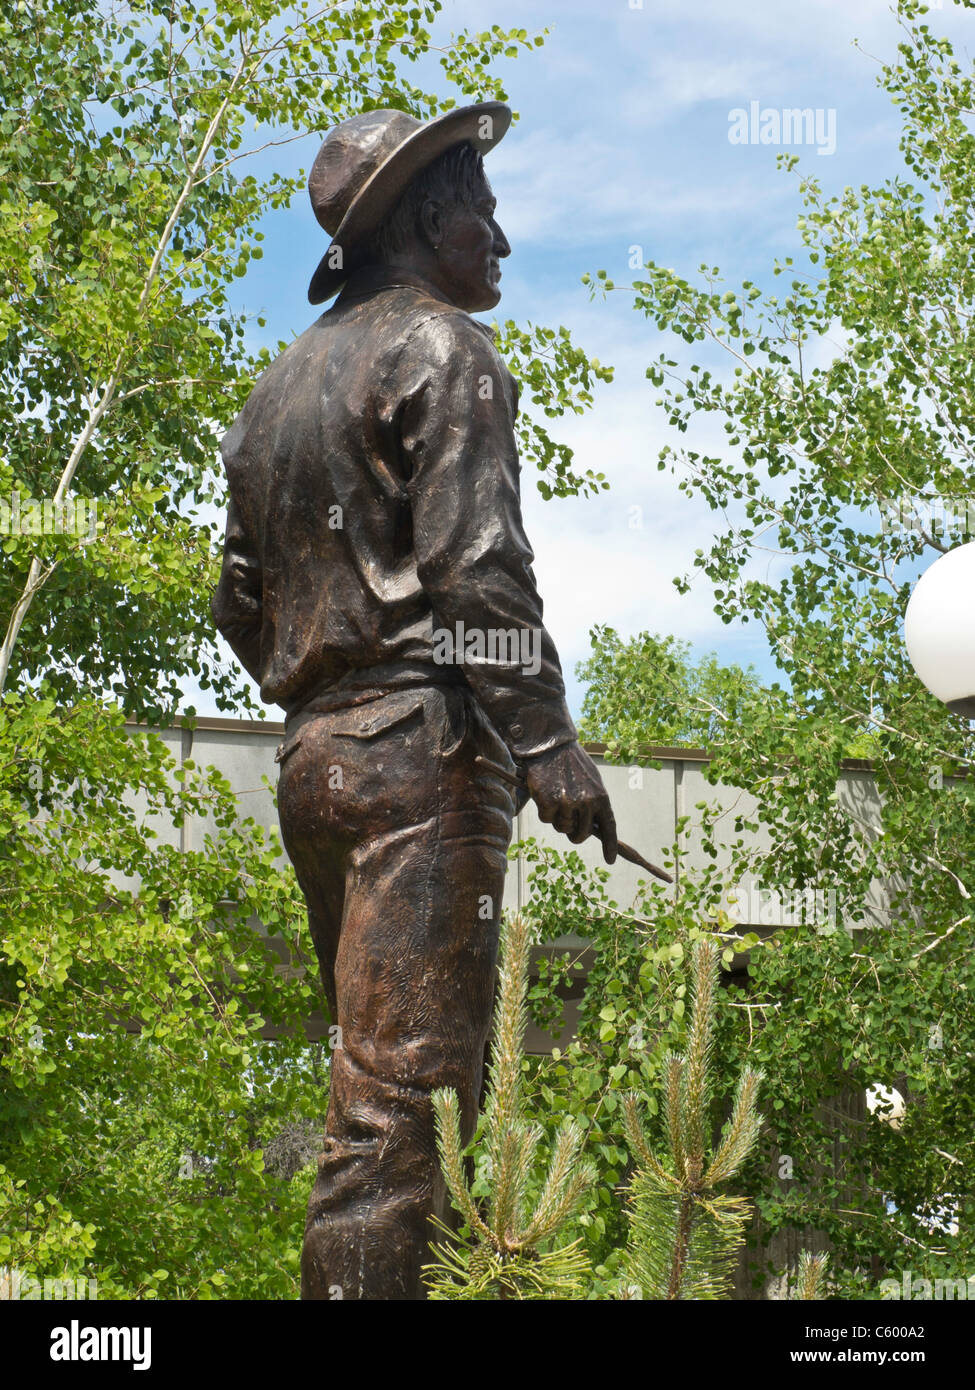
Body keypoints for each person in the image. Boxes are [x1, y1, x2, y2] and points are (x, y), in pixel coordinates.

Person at [212, 102, 617, 1300]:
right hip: (417, 762)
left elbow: (238, 601)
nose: (501, 239)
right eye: (480, 211)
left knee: (374, 1088)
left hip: (316, 764)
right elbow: (475, 567)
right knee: (406, 1114)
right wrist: (548, 745)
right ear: (423, 223)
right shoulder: (445, 351)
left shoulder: (276, 390)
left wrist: (325, 684)